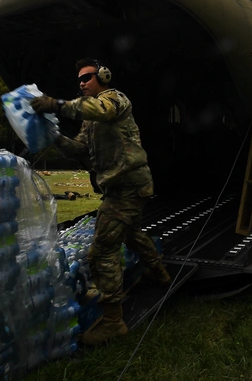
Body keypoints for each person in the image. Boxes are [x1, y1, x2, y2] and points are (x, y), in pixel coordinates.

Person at [32, 58, 171, 345]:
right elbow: (80, 149)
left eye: (87, 77)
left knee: (101, 251)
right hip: (124, 188)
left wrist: (55, 104)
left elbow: (99, 110)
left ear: (104, 77)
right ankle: (159, 274)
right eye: (79, 80)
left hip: (127, 188)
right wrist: (55, 137)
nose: (82, 83)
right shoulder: (89, 118)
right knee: (130, 234)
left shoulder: (113, 100)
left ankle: (112, 322)